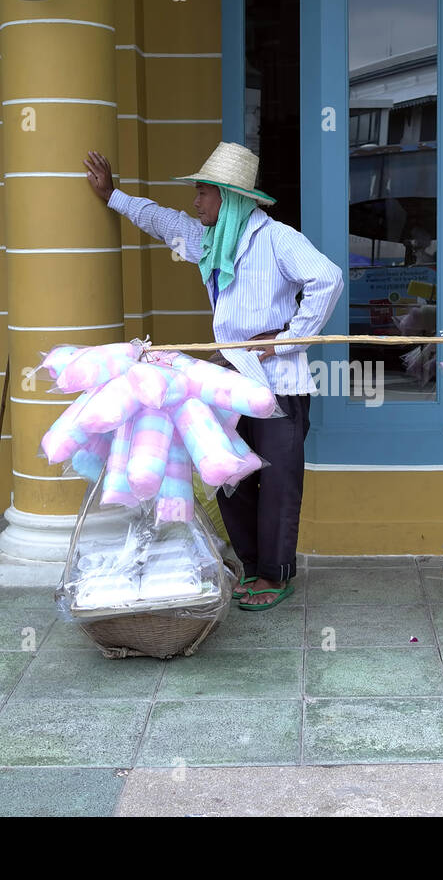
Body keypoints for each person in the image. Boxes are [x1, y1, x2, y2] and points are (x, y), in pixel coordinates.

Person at [85, 142, 343, 610]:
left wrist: (287, 339)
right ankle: (249, 565)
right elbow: (161, 220)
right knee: (229, 473)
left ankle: (275, 574)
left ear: (232, 197)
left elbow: (328, 278)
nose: (196, 201)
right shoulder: (209, 241)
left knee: (278, 480)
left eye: (204, 192)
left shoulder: (277, 239)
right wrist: (112, 196)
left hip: (278, 381)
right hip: (227, 380)